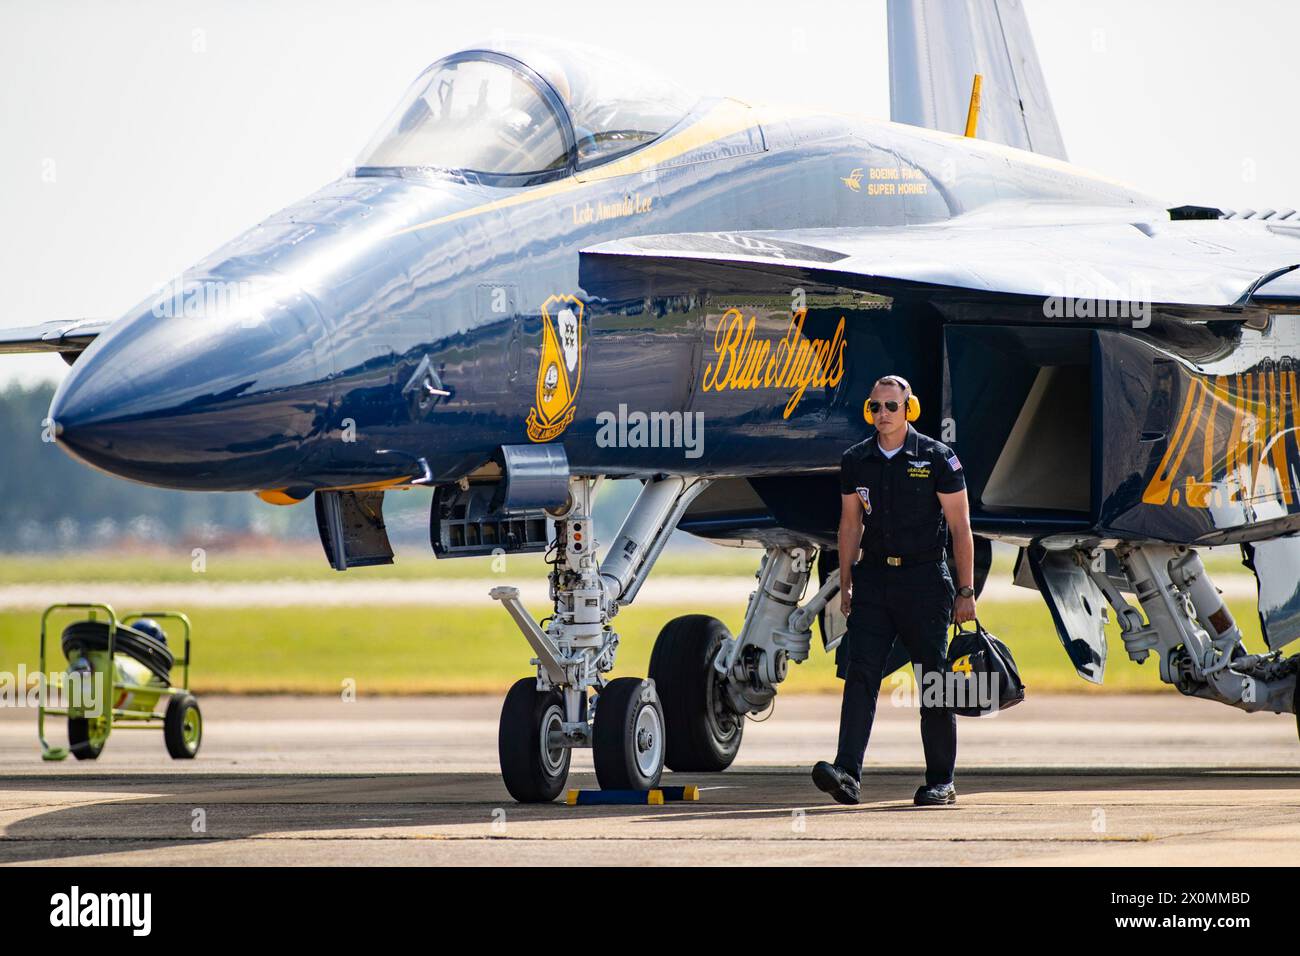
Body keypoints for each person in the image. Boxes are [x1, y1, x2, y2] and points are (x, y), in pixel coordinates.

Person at [812, 374, 976, 807]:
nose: (881, 415)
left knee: (934, 681)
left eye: (890, 407)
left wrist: (966, 590)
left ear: (909, 410)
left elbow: (961, 528)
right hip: (874, 581)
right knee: (860, 675)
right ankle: (847, 773)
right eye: (874, 407)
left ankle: (941, 781)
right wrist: (845, 582)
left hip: (926, 583)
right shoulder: (856, 460)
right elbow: (850, 524)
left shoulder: (938, 458)